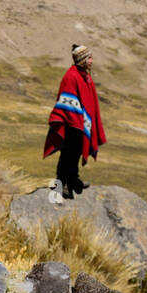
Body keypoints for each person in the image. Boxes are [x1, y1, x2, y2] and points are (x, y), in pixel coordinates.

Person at [43, 44, 106, 200]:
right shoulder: (71, 76)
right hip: (71, 123)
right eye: (89, 58)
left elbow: (89, 101)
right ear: (82, 59)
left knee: (75, 153)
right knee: (67, 155)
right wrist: (76, 121)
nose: (92, 60)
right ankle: (60, 186)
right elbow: (66, 100)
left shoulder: (85, 75)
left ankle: (73, 180)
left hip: (80, 123)